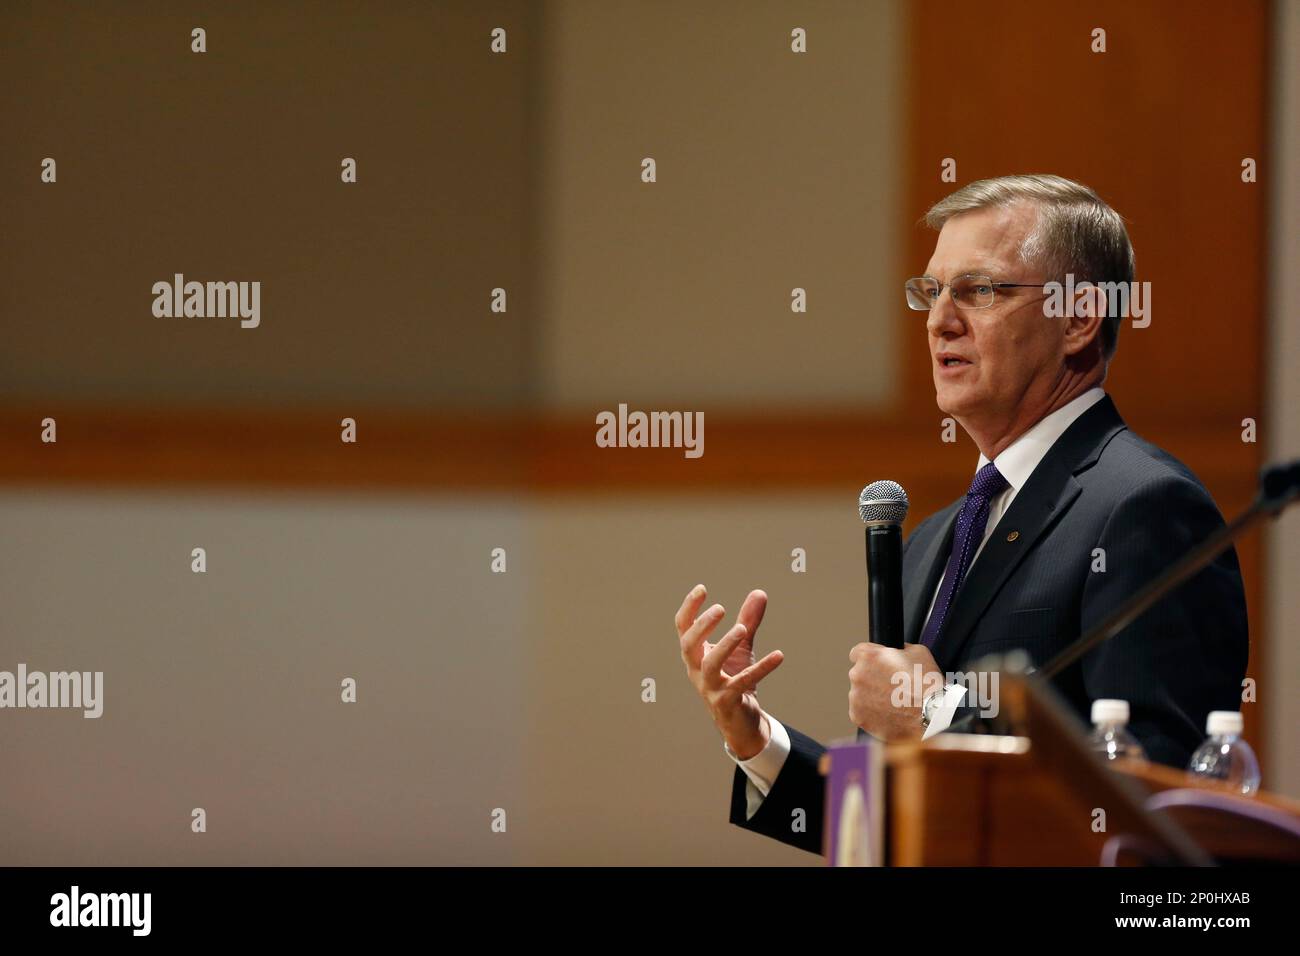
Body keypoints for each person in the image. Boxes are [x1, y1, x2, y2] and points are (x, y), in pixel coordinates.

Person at [675, 174, 1248, 856]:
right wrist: (753, 736)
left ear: (1079, 318)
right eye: (931, 290)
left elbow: (1151, 809)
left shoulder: (1143, 508)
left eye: (981, 290)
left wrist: (933, 712)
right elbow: (898, 823)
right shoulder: (931, 541)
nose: (939, 319)